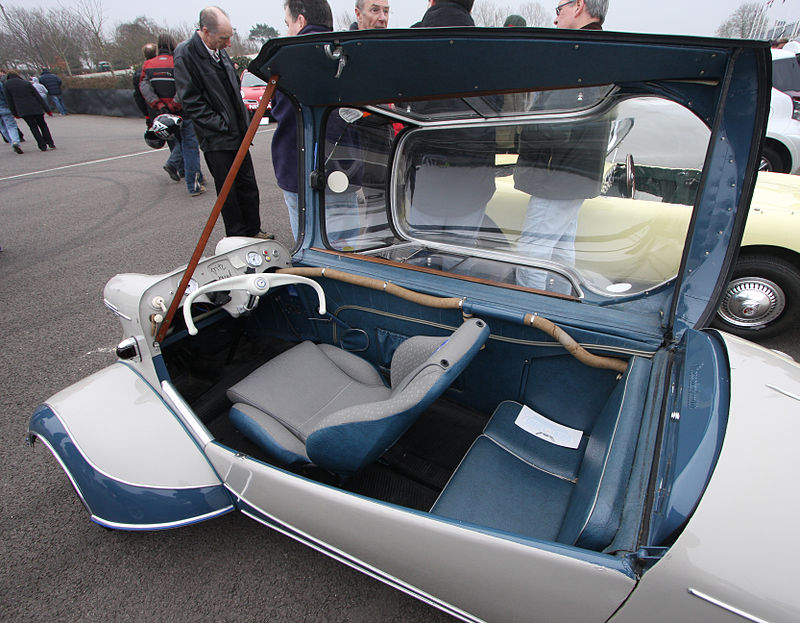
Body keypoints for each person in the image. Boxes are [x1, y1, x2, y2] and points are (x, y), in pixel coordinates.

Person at [513, 0, 610, 292]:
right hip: (575, 173)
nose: (556, 19)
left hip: (556, 172)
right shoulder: (604, 51)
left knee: (532, 253)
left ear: (578, 5)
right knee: (561, 250)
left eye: (559, 9)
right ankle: (561, 307)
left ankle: (531, 316)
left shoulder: (577, 54)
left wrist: (520, 125)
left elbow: (554, 125)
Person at [175, 6, 270, 238]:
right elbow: (191, 102)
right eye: (223, 38)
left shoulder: (220, 52)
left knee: (248, 186)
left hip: (238, 135)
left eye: (229, 37)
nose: (228, 44)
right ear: (205, 31)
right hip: (217, 139)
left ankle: (254, 231)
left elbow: (232, 92)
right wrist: (223, 125)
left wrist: (243, 122)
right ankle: (238, 237)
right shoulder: (185, 54)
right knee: (229, 192)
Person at [272, 0, 335, 240]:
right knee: (346, 245)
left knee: (307, 244)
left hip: (296, 171)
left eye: (288, 23)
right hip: (344, 170)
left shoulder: (286, 61)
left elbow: (282, 111)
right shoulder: (348, 55)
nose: (288, 30)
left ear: (301, 21)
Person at [140, 33, 206, 197]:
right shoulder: (178, 61)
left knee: (178, 142)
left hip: (163, 115)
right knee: (190, 146)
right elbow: (185, 85)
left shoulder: (148, 65)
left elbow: (144, 88)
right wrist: (174, 104)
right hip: (182, 111)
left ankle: (178, 166)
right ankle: (193, 184)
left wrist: (159, 105)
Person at [134, 43, 184, 182]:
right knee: (182, 140)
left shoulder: (143, 71)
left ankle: (180, 167)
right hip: (171, 110)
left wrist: (148, 115)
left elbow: (139, 95)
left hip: (156, 111)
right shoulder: (167, 65)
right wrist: (171, 104)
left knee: (173, 141)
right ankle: (176, 165)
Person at [3, 72, 55, 151]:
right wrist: (47, 110)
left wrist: (15, 113)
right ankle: (50, 142)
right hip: (35, 107)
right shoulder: (26, 83)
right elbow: (37, 96)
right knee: (43, 125)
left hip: (23, 110)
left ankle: (42, 145)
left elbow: (9, 100)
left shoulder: (6, 85)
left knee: (33, 127)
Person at [0, 79, 23, 153]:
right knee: (11, 126)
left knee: (2, 128)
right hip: (3, 106)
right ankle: (15, 142)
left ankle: (11, 142)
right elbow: (5, 94)